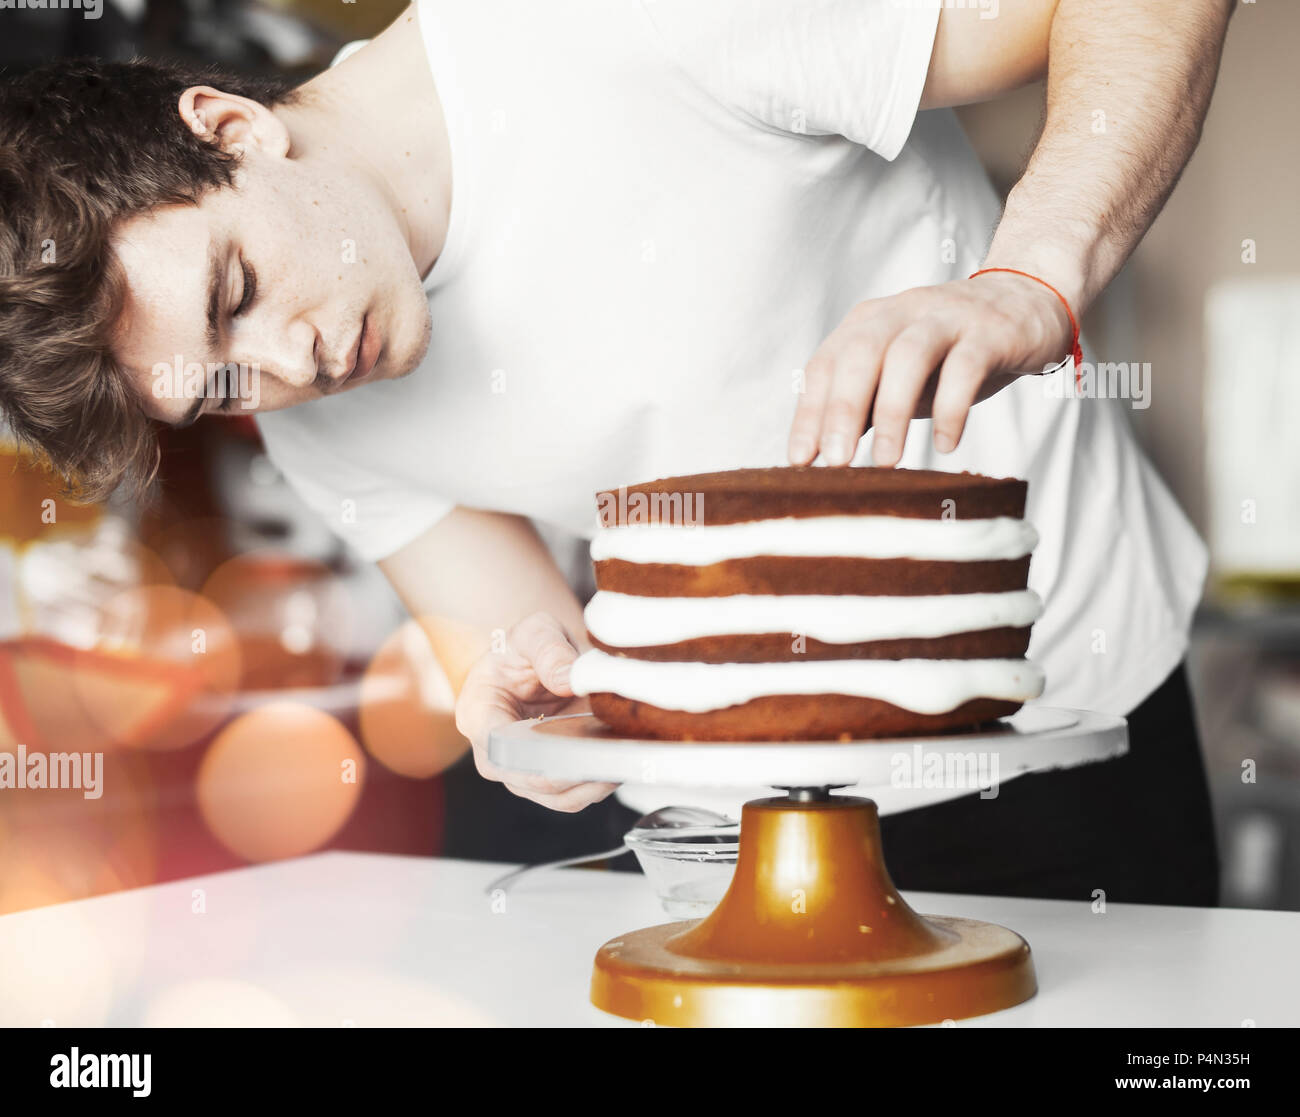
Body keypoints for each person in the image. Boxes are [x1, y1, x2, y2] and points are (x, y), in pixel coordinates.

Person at [0, 0, 1232, 904]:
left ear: (229, 126)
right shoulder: (311, 406)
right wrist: (522, 717)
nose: (290, 363)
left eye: (236, 290)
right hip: (724, 852)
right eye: (217, 383)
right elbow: (538, 666)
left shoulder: (616, 24)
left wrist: (1027, 281)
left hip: (1065, 724)